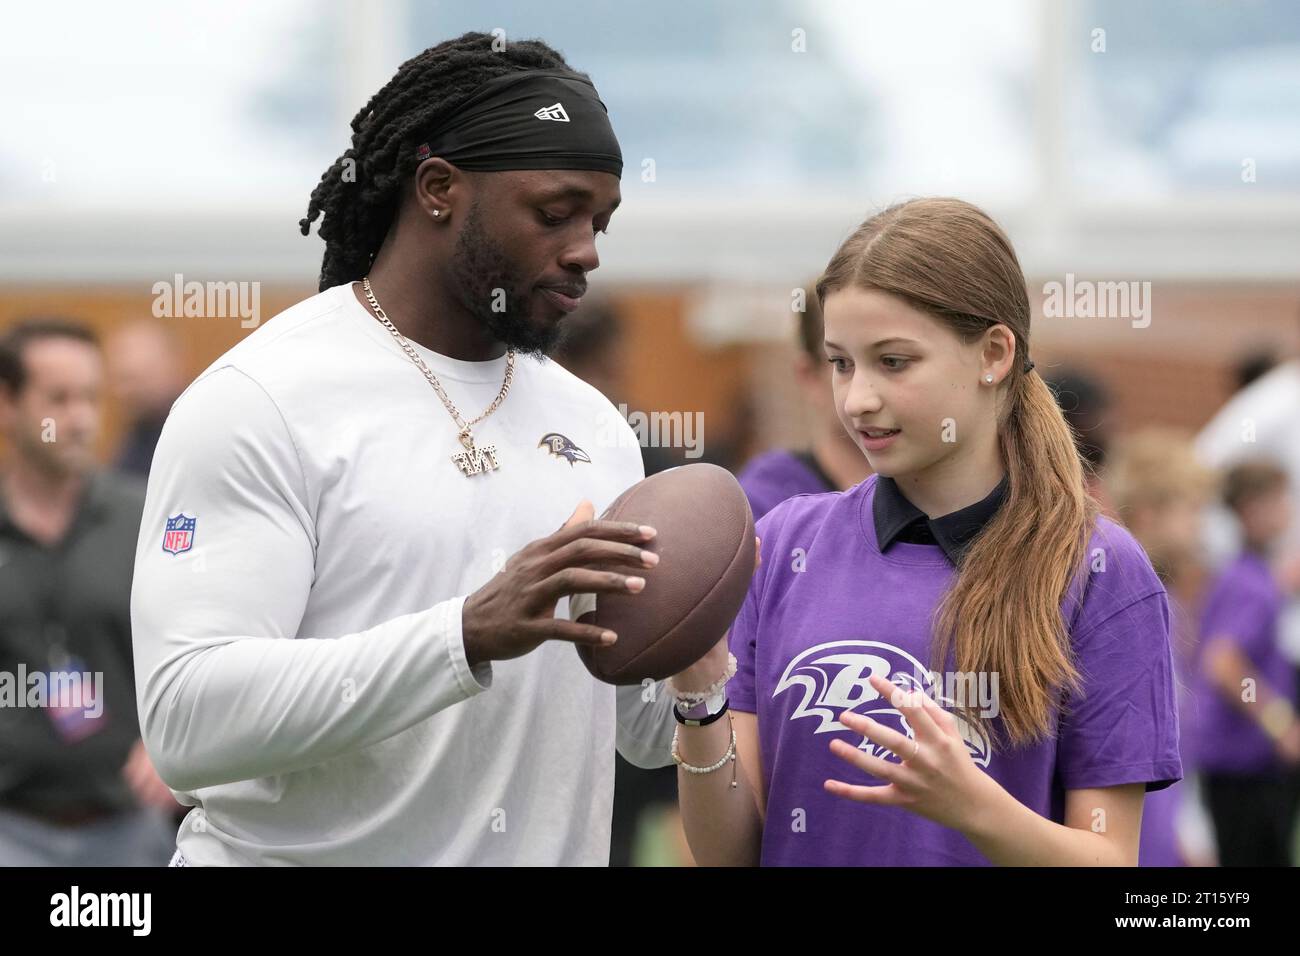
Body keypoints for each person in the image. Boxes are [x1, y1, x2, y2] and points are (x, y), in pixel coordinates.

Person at [130, 33, 682, 866]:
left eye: (600, 221)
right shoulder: (262, 399)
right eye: (554, 212)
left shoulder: (595, 427)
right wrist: (464, 634)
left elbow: (642, 735)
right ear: (437, 190)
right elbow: (187, 724)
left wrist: (705, 646)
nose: (586, 250)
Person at [669, 198, 1181, 866]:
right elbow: (727, 855)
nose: (856, 400)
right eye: (840, 363)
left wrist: (970, 803)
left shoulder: (1099, 569)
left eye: (894, 361)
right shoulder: (785, 543)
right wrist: (698, 696)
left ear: (994, 353)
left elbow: (1111, 862)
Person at [0, 319, 176, 865]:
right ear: (7, 405)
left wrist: (171, 743)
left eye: (91, 399)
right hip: (12, 828)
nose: (79, 419)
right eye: (59, 398)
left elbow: (198, 646)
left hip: (130, 828)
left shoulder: (147, 517)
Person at [1105, 429, 1219, 866]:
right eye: (1191, 510)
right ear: (1150, 513)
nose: (1201, 526)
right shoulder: (1130, 602)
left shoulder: (1168, 600)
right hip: (1142, 826)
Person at [1192, 458, 1300, 866]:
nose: (1288, 510)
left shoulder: (1245, 575)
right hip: (1245, 769)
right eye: (1279, 499)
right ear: (1253, 508)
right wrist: (1281, 724)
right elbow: (1223, 663)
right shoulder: (1249, 585)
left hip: (1240, 768)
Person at [736, 283, 872, 522]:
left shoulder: (936, 496)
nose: (869, 391)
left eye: (892, 362)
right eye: (842, 363)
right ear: (810, 377)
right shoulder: (767, 500)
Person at [105, 319, 187, 478]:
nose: (124, 392)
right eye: (121, 379)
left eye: (134, 379)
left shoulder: (190, 435)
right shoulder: (134, 438)